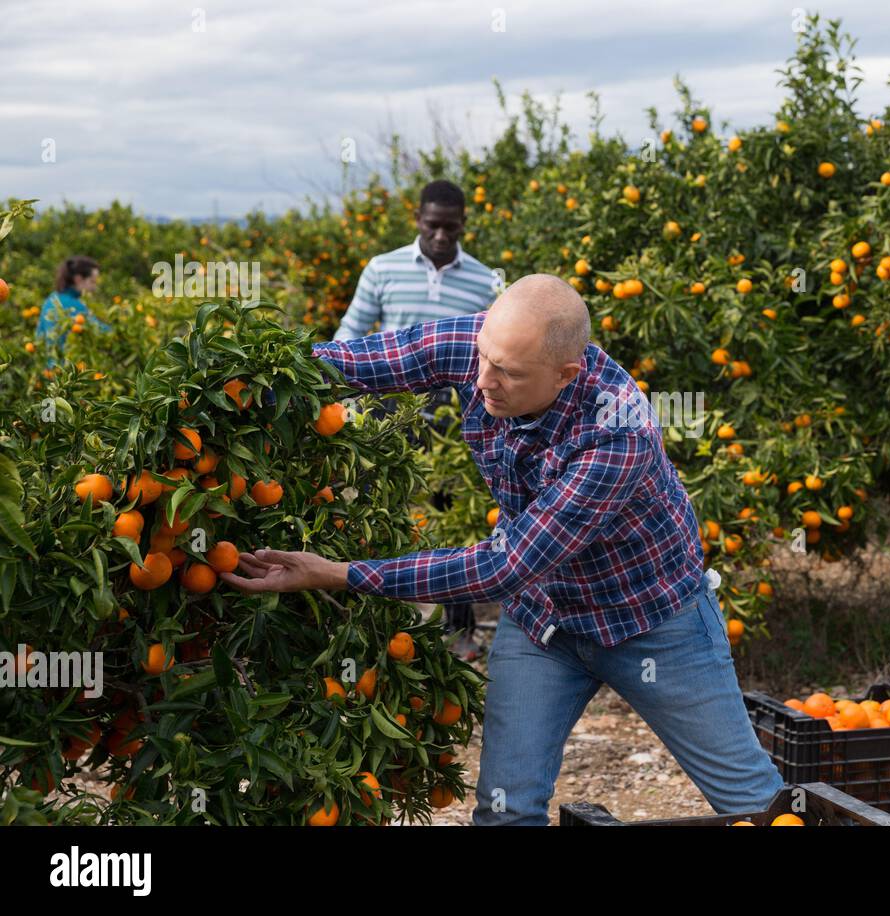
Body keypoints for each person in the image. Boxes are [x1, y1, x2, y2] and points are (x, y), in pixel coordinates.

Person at [221, 274, 785, 825]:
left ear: (565, 374)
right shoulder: (490, 347)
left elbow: (505, 566)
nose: (483, 378)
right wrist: (248, 380)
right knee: (505, 809)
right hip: (544, 625)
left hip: (652, 624)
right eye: (484, 358)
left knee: (756, 803)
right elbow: (368, 360)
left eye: (508, 373)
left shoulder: (616, 433)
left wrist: (338, 573)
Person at [334, 179, 502, 660]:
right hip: (388, 412)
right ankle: (368, 621)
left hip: (452, 416)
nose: (442, 236)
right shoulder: (383, 269)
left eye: (451, 227)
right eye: (434, 226)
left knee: (453, 516)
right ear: (418, 220)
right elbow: (352, 332)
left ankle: (460, 630)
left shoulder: (486, 280)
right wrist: (341, 390)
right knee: (376, 508)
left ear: (464, 224)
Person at [38, 256, 108, 354]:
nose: (94, 288)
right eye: (92, 282)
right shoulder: (73, 305)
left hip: (50, 367)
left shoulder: (51, 299)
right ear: (78, 279)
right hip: (70, 367)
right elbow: (102, 332)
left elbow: (39, 336)